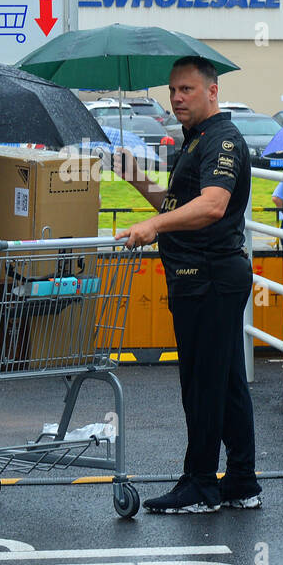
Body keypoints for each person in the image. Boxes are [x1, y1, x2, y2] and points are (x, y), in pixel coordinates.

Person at [116, 55, 259, 513]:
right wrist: (136, 178)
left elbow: (213, 205)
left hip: (210, 276)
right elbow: (179, 204)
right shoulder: (195, 140)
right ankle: (241, 479)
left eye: (187, 90)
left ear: (212, 91)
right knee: (227, 381)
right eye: (173, 90)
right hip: (202, 277)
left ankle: (200, 483)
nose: (177, 97)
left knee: (202, 383)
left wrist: (153, 227)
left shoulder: (222, 141)